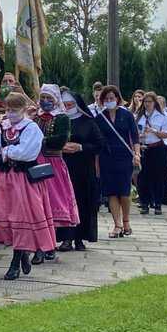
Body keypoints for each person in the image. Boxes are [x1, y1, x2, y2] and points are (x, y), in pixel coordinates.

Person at [0, 92, 55, 280]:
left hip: (22, 178)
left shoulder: (31, 128)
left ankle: (16, 261)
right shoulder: (4, 126)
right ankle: (21, 254)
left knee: (21, 217)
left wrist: (5, 151)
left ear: (23, 109)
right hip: (4, 178)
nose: (10, 113)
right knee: (7, 217)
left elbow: (27, 153)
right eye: (8, 109)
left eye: (14, 110)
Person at [36, 84, 76, 260]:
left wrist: (38, 140)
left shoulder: (61, 118)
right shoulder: (35, 117)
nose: (45, 101)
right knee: (37, 203)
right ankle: (40, 244)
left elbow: (61, 140)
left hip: (53, 163)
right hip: (36, 162)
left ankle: (51, 243)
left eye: (49, 98)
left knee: (53, 202)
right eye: (43, 98)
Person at [95, 85, 140, 238]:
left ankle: (126, 221)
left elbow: (134, 136)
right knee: (111, 192)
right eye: (106, 99)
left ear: (117, 99)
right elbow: (97, 140)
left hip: (124, 156)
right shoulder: (100, 118)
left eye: (112, 98)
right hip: (107, 157)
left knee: (125, 192)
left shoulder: (126, 115)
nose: (109, 101)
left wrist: (137, 154)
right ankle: (117, 225)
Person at [60, 90, 103, 250]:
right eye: (64, 104)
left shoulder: (88, 122)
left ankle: (80, 238)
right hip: (63, 167)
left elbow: (99, 144)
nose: (67, 107)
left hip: (84, 168)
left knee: (82, 202)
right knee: (65, 203)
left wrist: (80, 147)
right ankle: (66, 238)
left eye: (70, 104)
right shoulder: (59, 120)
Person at [135, 91, 167, 215]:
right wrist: (140, 136)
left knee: (157, 176)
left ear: (154, 103)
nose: (147, 104)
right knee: (143, 177)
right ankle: (144, 203)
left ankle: (158, 203)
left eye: (150, 102)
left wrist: (153, 131)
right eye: (145, 102)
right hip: (144, 148)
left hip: (157, 147)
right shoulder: (139, 116)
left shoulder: (162, 116)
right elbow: (134, 132)